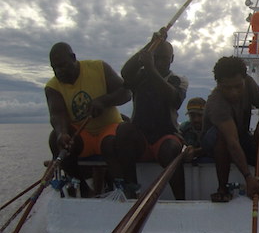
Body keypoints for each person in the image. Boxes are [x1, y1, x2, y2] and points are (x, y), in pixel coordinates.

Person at [45, 42, 131, 196]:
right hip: (83, 137)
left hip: (109, 130)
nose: (59, 71)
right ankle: (82, 187)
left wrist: (103, 101)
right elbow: (57, 114)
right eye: (54, 68)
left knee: (109, 143)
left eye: (63, 65)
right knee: (55, 139)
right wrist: (62, 133)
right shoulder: (52, 86)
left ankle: (122, 189)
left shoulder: (99, 68)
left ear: (73, 58)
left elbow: (126, 93)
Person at [116, 30, 188, 199]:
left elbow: (174, 99)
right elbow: (125, 72)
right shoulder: (140, 76)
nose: (161, 62)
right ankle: (131, 188)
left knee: (170, 150)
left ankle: (180, 199)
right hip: (140, 137)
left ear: (172, 59)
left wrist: (150, 68)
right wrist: (150, 44)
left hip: (166, 136)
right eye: (157, 57)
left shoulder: (177, 79)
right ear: (151, 56)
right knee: (123, 129)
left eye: (165, 58)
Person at [201, 56, 259, 202]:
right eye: (227, 88)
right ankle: (222, 188)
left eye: (238, 86)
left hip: (240, 135)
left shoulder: (249, 83)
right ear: (219, 84)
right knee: (222, 139)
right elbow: (232, 141)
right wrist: (248, 177)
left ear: (244, 79)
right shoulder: (217, 103)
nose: (234, 92)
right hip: (215, 140)